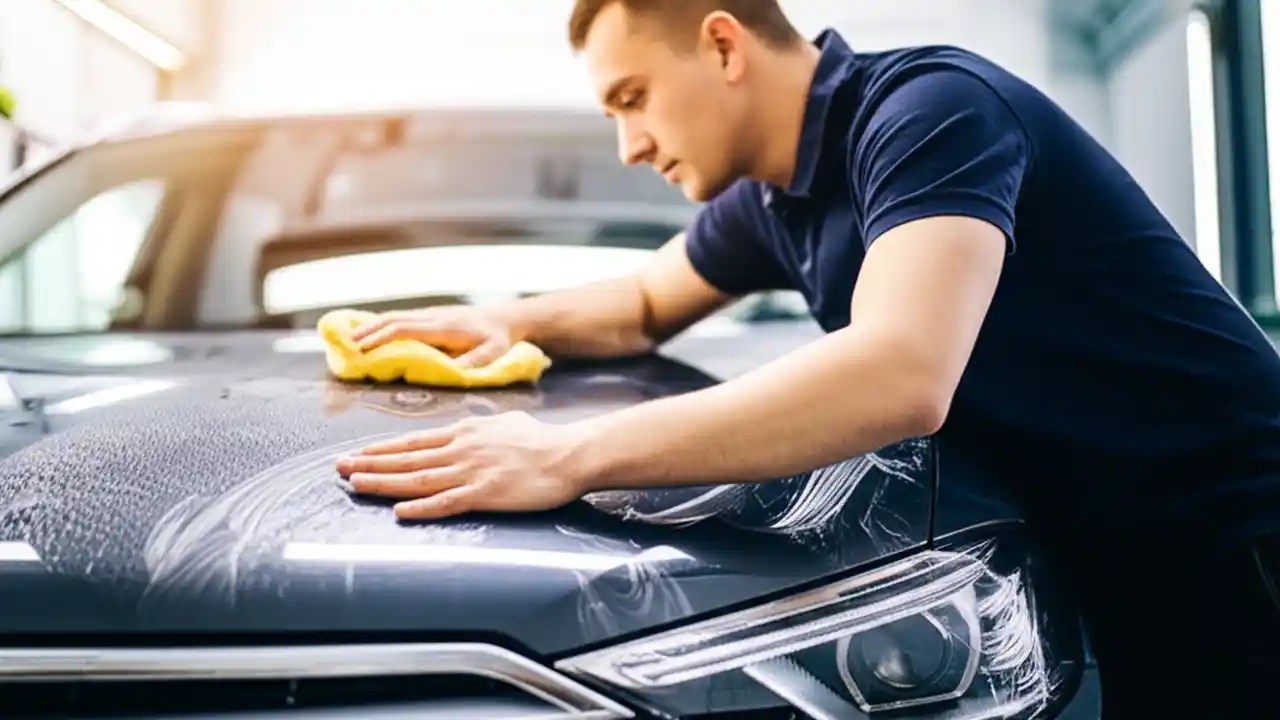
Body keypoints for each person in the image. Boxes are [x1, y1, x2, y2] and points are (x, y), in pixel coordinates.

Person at [335, 1, 1280, 714]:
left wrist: (565, 454)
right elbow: (638, 305)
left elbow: (900, 374)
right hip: (1121, 546)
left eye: (632, 99)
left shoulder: (931, 112)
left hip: (1242, 535)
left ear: (721, 45)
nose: (628, 146)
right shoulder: (776, 199)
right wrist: (501, 321)